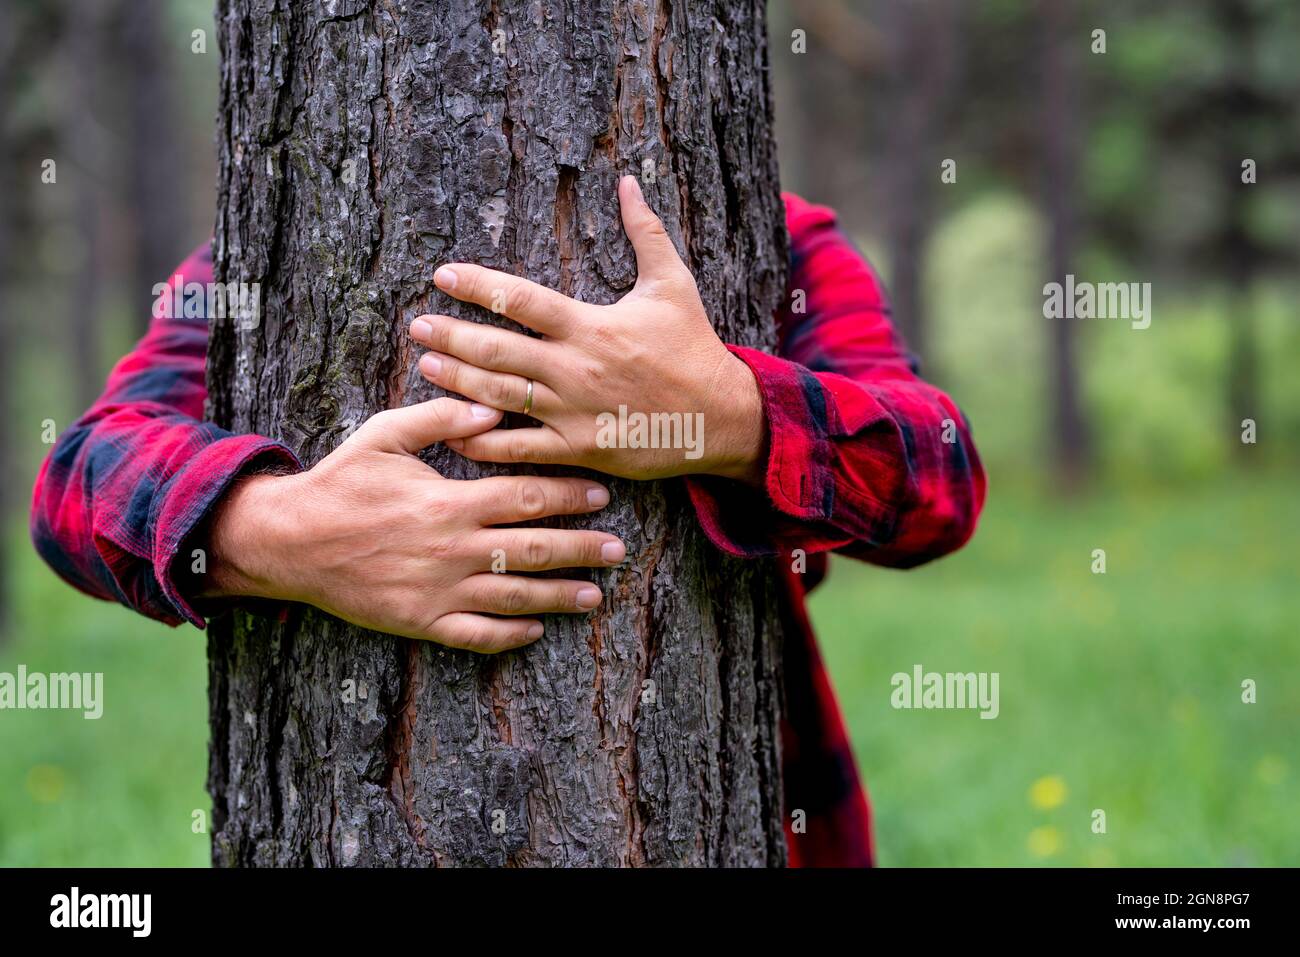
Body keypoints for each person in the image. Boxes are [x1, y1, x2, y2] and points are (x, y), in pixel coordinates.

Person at [31, 175, 985, 866]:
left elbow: (940, 472)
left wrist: (730, 417)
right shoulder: (263, 250)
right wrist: (278, 531)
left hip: (754, 816)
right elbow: (75, 482)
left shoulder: (769, 237)